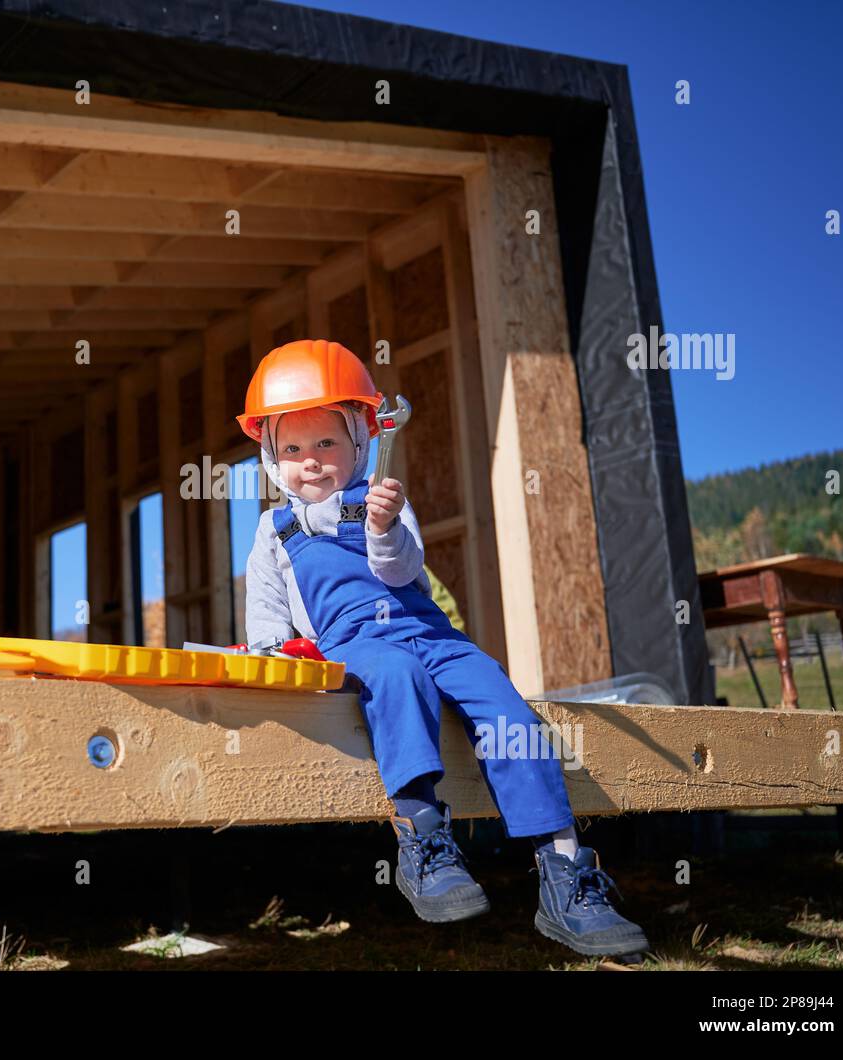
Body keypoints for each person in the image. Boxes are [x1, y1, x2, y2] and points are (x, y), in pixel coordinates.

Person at [237, 339, 648, 957]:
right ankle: (424, 841)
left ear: (361, 441)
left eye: (326, 443)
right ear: (271, 457)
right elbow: (267, 614)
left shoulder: (385, 501)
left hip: (433, 635)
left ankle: (566, 878)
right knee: (397, 673)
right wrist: (272, 654)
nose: (312, 462)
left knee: (503, 703)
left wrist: (382, 529)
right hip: (357, 648)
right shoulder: (275, 531)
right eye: (292, 449)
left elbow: (405, 574)